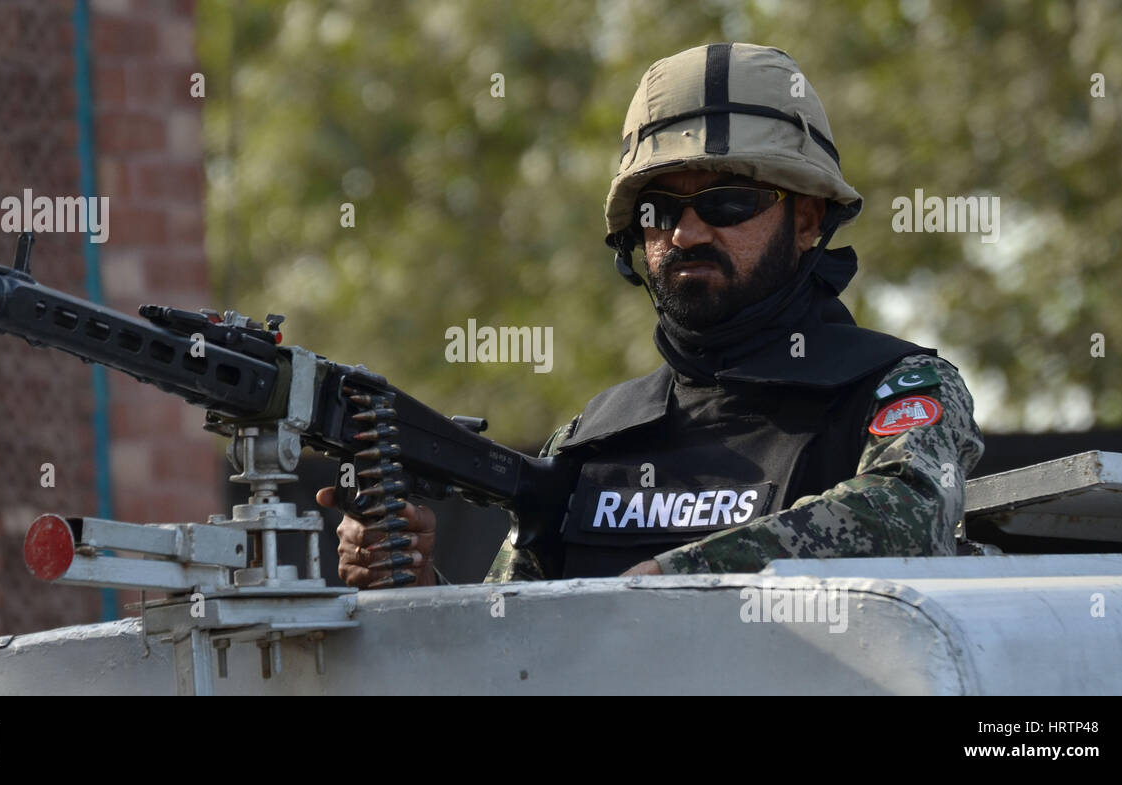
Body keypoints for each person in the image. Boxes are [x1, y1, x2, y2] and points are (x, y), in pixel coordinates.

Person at [318, 42, 984, 587]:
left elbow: (904, 520)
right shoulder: (591, 442)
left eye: (726, 202)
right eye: (660, 211)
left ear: (807, 217)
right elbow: (513, 657)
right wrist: (410, 587)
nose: (688, 234)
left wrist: (669, 580)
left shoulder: (896, 388)